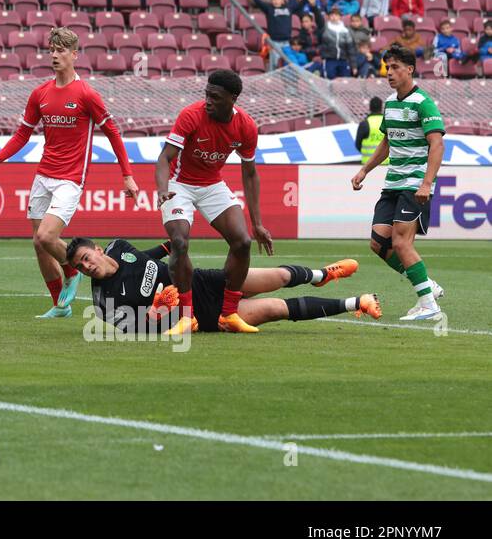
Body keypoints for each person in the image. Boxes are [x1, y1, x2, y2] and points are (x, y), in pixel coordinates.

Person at [0, 26, 137, 320]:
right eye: (51, 50)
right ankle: (60, 306)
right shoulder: (40, 93)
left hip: (70, 179)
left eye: (61, 50)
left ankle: (73, 271)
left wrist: (127, 174)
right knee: (38, 245)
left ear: (75, 55)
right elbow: (23, 134)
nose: (54, 55)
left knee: (47, 237)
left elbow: (112, 132)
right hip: (43, 175)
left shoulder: (87, 94)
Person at [155, 70, 274, 334]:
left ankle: (229, 313)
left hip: (211, 185)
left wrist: (257, 224)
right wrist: (162, 190)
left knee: (243, 242)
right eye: (206, 94)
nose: (207, 100)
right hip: (178, 184)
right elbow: (165, 158)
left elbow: (250, 173)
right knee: (179, 241)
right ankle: (187, 317)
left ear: (233, 98)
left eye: (215, 97)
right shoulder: (191, 115)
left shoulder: (246, 126)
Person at [71, 237, 377, 335]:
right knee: (275, 309)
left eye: (86, 258)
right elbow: (138, 331)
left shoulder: (118, 247)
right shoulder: (103, 302)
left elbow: (141, 257)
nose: (86, 267)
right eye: (80, 267)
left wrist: (171, 243)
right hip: (199, 315)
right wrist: (156, 312)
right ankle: (355, 303)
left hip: (203, 280)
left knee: (279, 277)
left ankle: (322, 274)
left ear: (97, 250)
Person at [350, 46, 447, 321]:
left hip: (414, 183)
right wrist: (365, 170)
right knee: (378, 243)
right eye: (387, 67)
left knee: (401, 243)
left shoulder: (423, 102)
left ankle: (428, 304)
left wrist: (427, 183)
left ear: (409, 70)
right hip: (393, 183)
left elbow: (437, 144)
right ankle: (427, 284)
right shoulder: (391, 103)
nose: (388, 72)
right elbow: (387, 142)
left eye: (394, 67)